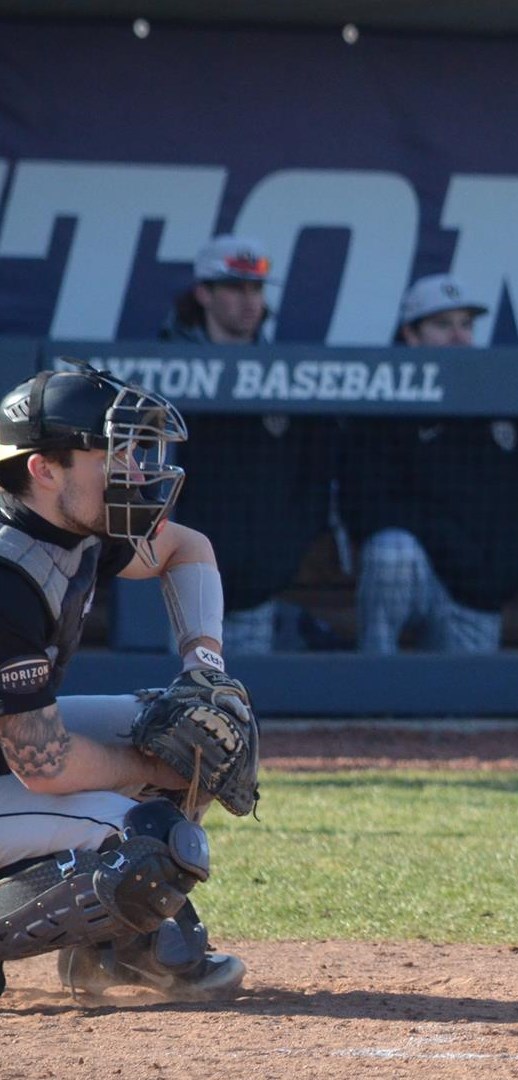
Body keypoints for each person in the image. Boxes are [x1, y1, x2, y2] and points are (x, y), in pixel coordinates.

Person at [0, 363, 249, 999]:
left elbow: (187, 548)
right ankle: (128, 942)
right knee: (144, 835)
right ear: (44, 469)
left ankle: (117, 953)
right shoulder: (6, 572)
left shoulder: (68, 521)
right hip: (21, 759)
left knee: (195, 732)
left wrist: (204, 667)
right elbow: (44, 763)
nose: (134, 469)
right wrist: (151, 769)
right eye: (112, 453)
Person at [338, 275, 518, 652]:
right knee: (392, 552)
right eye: (443, 325)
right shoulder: (381, 402)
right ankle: (375, 668)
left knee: (469, 688)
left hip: (478, 586)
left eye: (466, 325)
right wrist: (449, 545)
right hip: (419, 570)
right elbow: (365, 505)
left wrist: (503, 572)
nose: (459, 337)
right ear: (411, 335)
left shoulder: (501, 398)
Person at [162, 235, 338, 653]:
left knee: (242, 690)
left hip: (258, 582)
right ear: (204, 293)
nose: (249, 300)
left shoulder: (289, 377)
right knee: (176, 689)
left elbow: (315, 478)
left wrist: (279, 555)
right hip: (178, 578)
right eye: (234, 288)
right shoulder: (163, 367)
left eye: (256, 289)